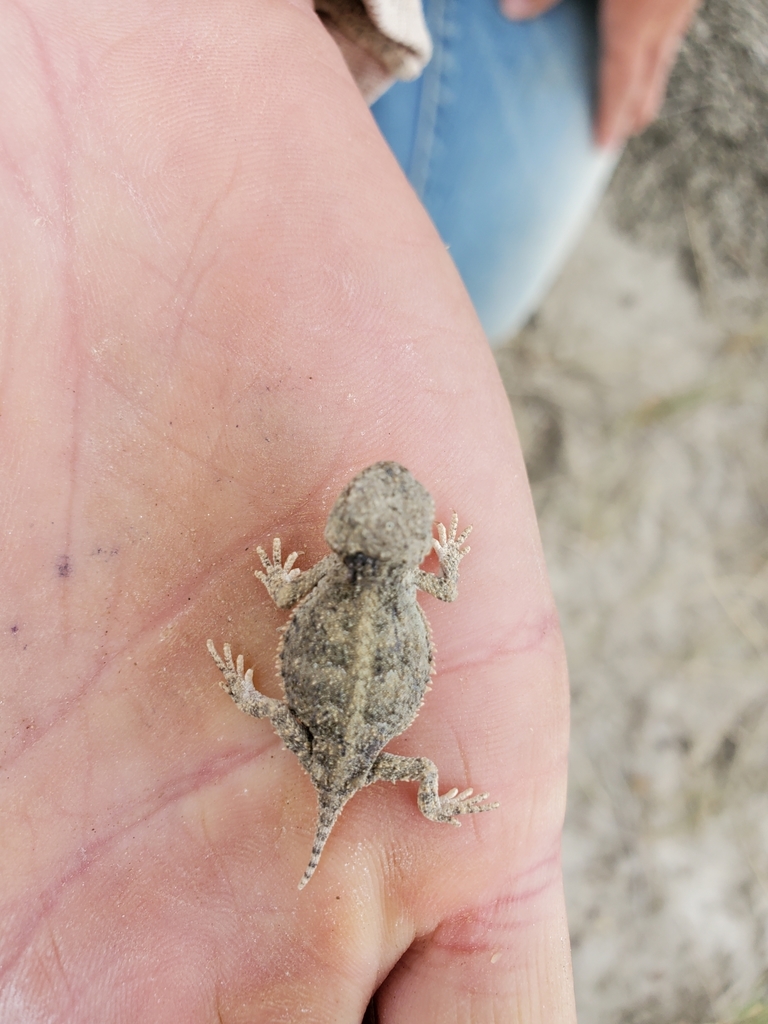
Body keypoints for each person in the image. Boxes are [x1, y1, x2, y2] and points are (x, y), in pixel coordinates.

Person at [0, 0, 696, 1021]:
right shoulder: (404, 579)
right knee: (504, 221)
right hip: (362, 739)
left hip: (349, 727)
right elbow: (354, 589)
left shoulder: (327, 574)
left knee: (508, 218)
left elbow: (288, 586)